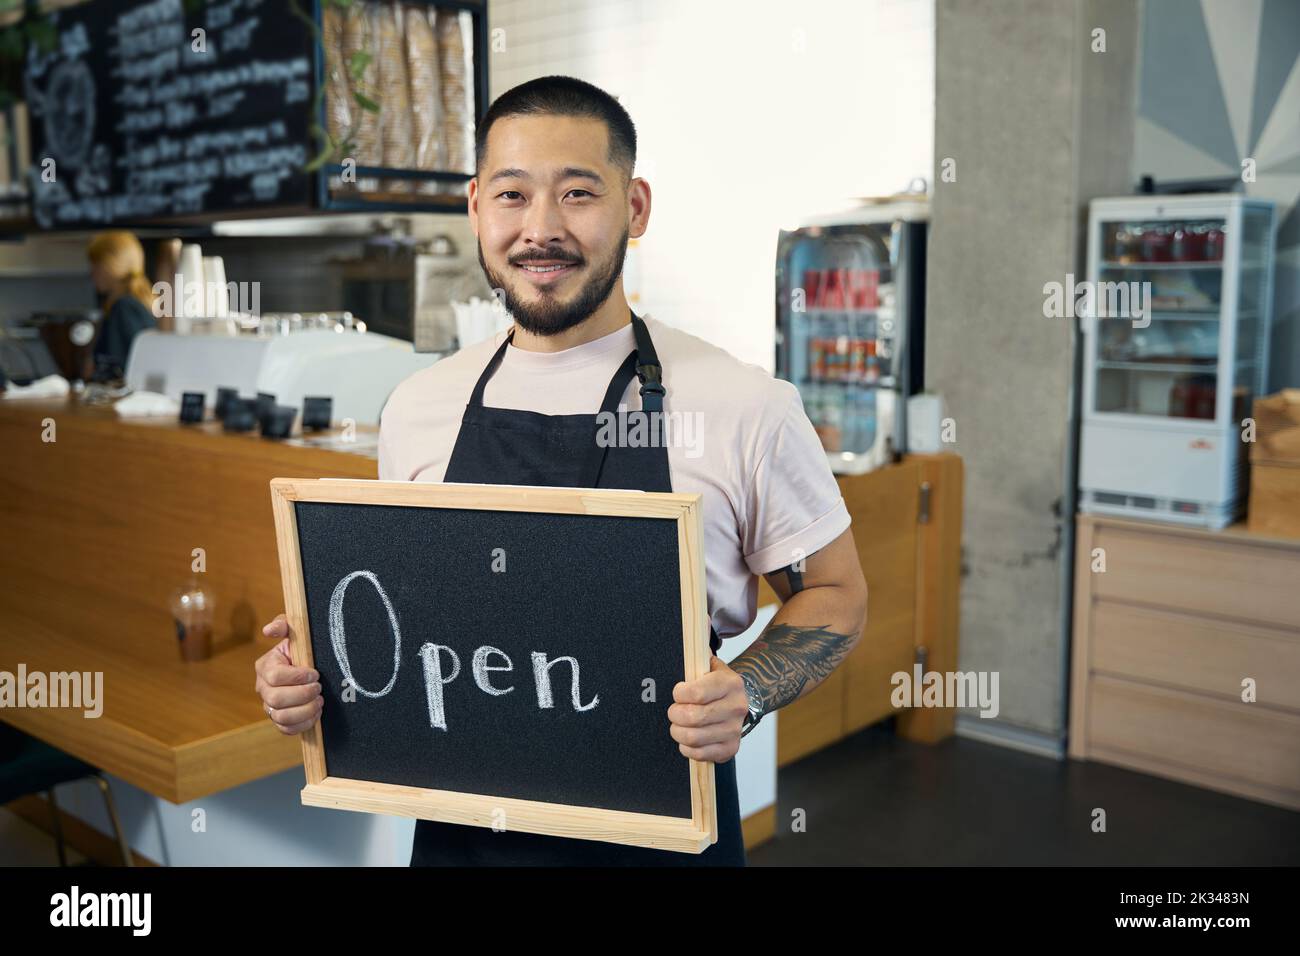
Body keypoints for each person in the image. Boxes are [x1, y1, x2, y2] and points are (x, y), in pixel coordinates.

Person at [254, 75, 869, 866]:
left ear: (635, 206)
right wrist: (307, 674)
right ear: (476, 207)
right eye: (512, 196)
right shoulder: (419, 408)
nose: (540, 229)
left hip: (662, 834)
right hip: (461, 836)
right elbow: (410, 623)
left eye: (578, 193)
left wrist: (746, 694)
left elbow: (839, 592)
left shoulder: (742, 404)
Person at [85, 230, 157, 382]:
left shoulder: (123, 307)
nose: (91, 273)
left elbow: (115, 367)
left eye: (95, 265)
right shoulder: (143, 301)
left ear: (110, 264)